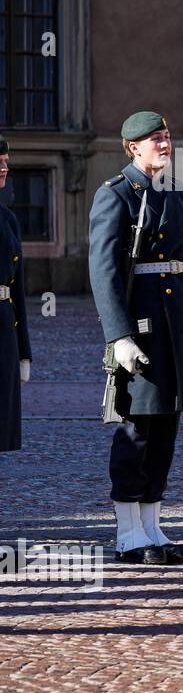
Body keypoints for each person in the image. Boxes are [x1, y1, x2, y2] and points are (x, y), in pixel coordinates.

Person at [88, 112, 183, 565]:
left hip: (175, 325)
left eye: (166, 136)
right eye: (154, 139)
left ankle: (152, 526)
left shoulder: (175, 191)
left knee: (166, 427)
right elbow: (103, 272)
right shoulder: (116, 194)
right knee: (137, 427)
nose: (164, 144)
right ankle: (127, 532)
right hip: (140, 326)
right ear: (131, 148)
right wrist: (119, 335)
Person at [0, 135, 32, 454]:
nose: (4, 166)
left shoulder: (7, 218)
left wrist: (24, 351)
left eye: (6, 160)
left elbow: (16, 290)